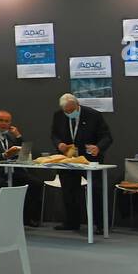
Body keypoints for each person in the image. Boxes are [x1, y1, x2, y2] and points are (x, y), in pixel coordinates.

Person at [50, 93, 112, 233]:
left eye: (72, 110)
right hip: (68, 159)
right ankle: (72, 222)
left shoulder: (93, 115)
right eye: (67, 111)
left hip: (89, 160)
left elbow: (107, 136)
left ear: (78, 106)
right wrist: (59, 144)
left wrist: (98, 147)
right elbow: (54, 134)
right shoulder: (58, 115)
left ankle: (101, 225)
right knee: (69, 191)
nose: (69, 113)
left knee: (96, 191)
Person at [0, 109, 42, 227]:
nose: (4, 123)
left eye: (7, 121)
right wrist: (5, 155)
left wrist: (18, 136)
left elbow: (24, 155)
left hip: (13, 171)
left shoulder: (11, 136)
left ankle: (27, 218)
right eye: (1, 120)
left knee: (36, 183)